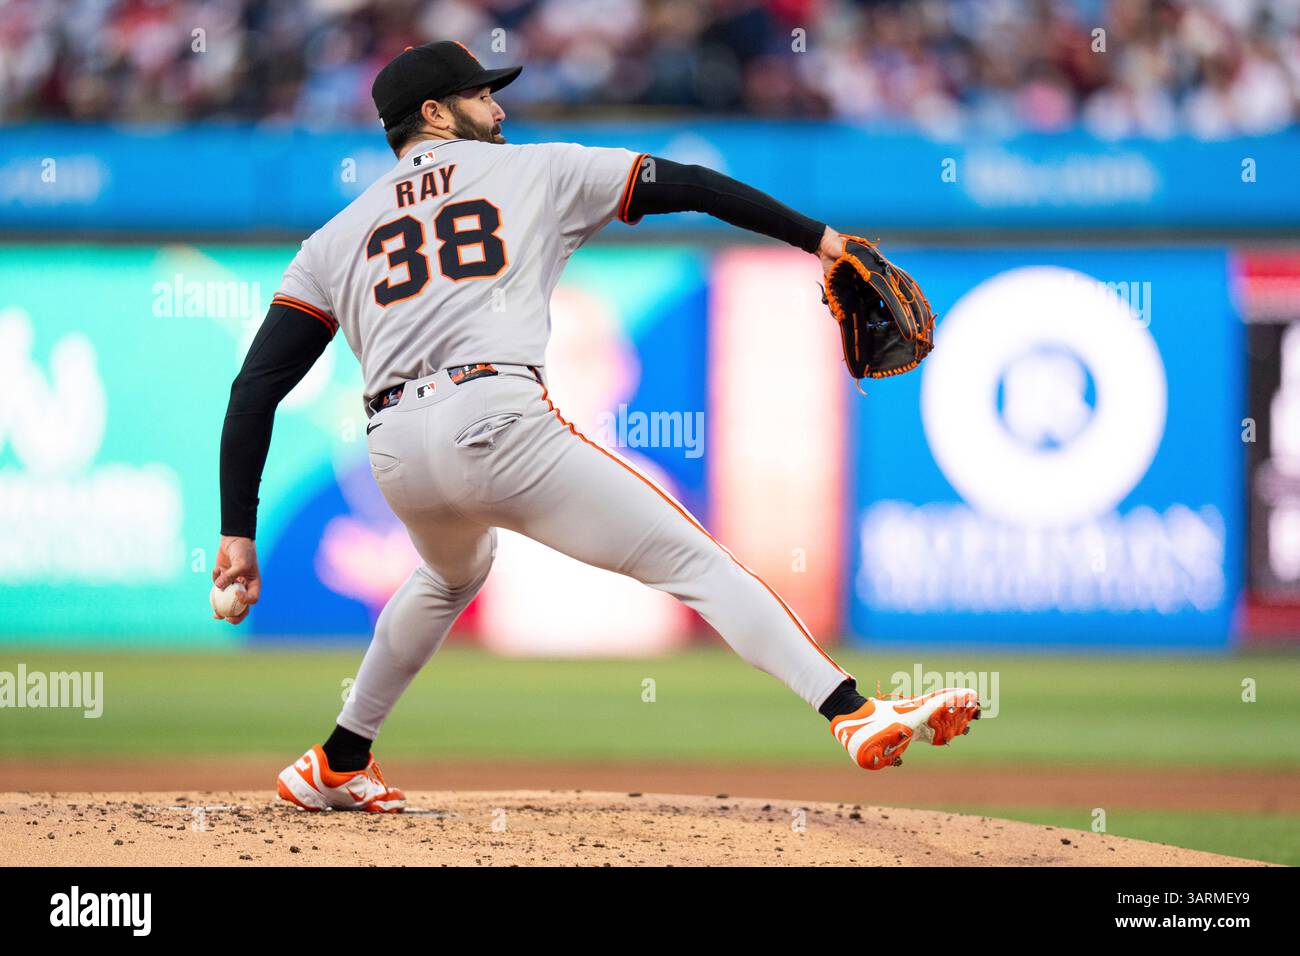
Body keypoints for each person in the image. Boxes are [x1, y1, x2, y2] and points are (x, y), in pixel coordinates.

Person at [213, 40, 979, 812]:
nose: (500, 107)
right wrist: (822, 240)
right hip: (495, 421)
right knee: (696, 561)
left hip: (396, 455)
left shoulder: (336, 236)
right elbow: (693, 185)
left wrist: (236, 534)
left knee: (451, 573)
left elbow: (256, 388)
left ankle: (340, 760)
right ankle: (851, 711)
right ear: (435, 112)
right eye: (482, 96)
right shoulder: (535, 168)